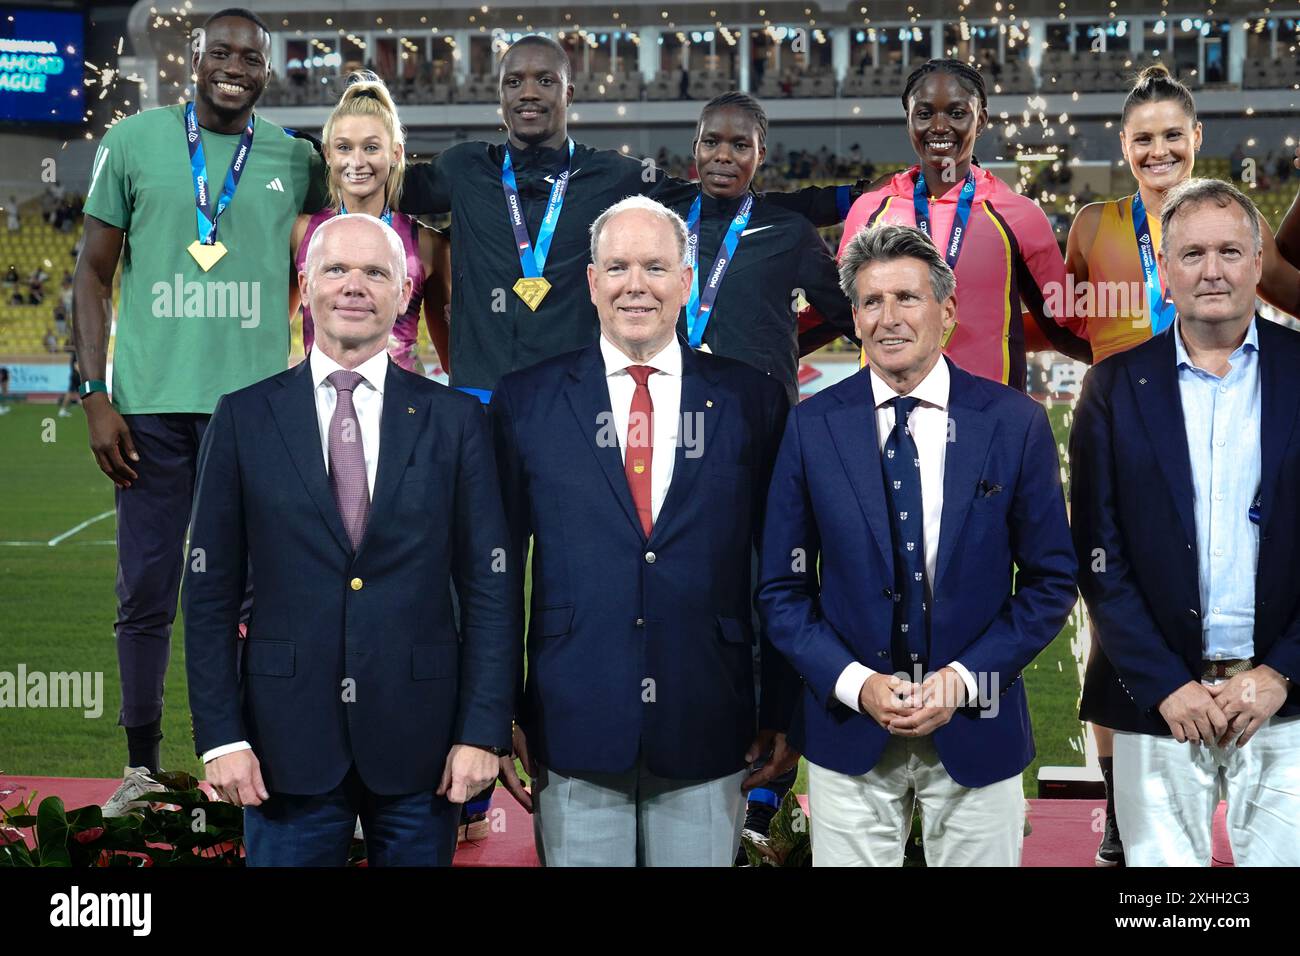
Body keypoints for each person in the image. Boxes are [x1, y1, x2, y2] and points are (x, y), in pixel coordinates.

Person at [184, 214, 515, 866]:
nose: (354, 286)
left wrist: (483, 730)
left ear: (401, 296)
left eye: (375, 273)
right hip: (282, 748)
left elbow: (491, 588)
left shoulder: (457, 422)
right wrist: (221, 737)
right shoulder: (244, 416)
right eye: (336, 269)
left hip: (424, 747)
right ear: (306, 286)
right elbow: (208, 592)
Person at [489, 196, 798, 866]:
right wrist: (496, 709)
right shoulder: (527, 400)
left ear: (687, 280)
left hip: (711, 721)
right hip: (571, 722)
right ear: (592, 281)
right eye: (619, 266)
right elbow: (497, 571)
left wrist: (782, 705)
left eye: (656, 267)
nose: (637, 285)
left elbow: (782, 570)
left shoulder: (753, 400)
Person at [758, 222, 1078, 866]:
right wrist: (854, 683)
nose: (888, 317)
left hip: (976, 727)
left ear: (948, 310)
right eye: (871, 302)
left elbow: (1050, 583)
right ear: (854, 316)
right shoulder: (811, 427)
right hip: (850, 730)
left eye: (907, 297)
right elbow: (782, 590)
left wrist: (962, 682)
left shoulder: (1013, 423)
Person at [72, 7, 327, 814]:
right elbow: (90, 273)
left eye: (249, 58)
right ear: (194, 60)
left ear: (266, 69)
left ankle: (251, 764)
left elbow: (338, 242)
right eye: (219, 53)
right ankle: (142, 768)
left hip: (253, 417)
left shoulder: (297, 157)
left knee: (258, 596)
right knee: (147, 590)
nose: (234, 67)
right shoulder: (134, 142)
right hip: (147, 413)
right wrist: (94, 395)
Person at [1064, 65, 1300, 867]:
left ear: (1258, 261)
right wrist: (1163, 683)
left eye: (1231, 251)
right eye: (1191, 253)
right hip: (1154, 701)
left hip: (1288, 702)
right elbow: (1098, 556)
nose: (1212, 270)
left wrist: (1281, 675)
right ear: (1164, 270)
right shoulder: (1111, 387)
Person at [400, 34, 858, 403]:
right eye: (514, 82)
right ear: (499, 94)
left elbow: (729, 205)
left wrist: (852, 199)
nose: (529, 93)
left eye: (545, 80)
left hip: (575, 400)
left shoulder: (615, 176)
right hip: (481, 396)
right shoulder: (463, 169)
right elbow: (376, 185)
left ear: (569, 93)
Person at [839, 59, 1092, 390]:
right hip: (889, 419)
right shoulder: (870, 212)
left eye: (956, 113)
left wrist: (1144, 359)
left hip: (991, 424)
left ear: (981, 119)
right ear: (909, 119)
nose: (939, 126)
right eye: (925, 113)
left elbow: (1065, 326)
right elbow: (839, 312)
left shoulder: (1018, 216)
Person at [672, 92, 855, 404]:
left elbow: (850, 316)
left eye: (740, 145)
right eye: (711, 142)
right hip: (676, 411)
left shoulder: (791, 233)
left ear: (761, 155)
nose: (723, 155)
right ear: (695, 148)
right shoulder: (664, 224)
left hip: (762, 420)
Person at [290, 72, 450, 374]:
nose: (357, 161)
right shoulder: (301, 234)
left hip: (401, 410)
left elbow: (450, 359)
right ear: (327, 154)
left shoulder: (428, 245)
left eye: (371, 148)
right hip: (319, 406)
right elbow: (277, 332)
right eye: (344, 147)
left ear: (395, 153)